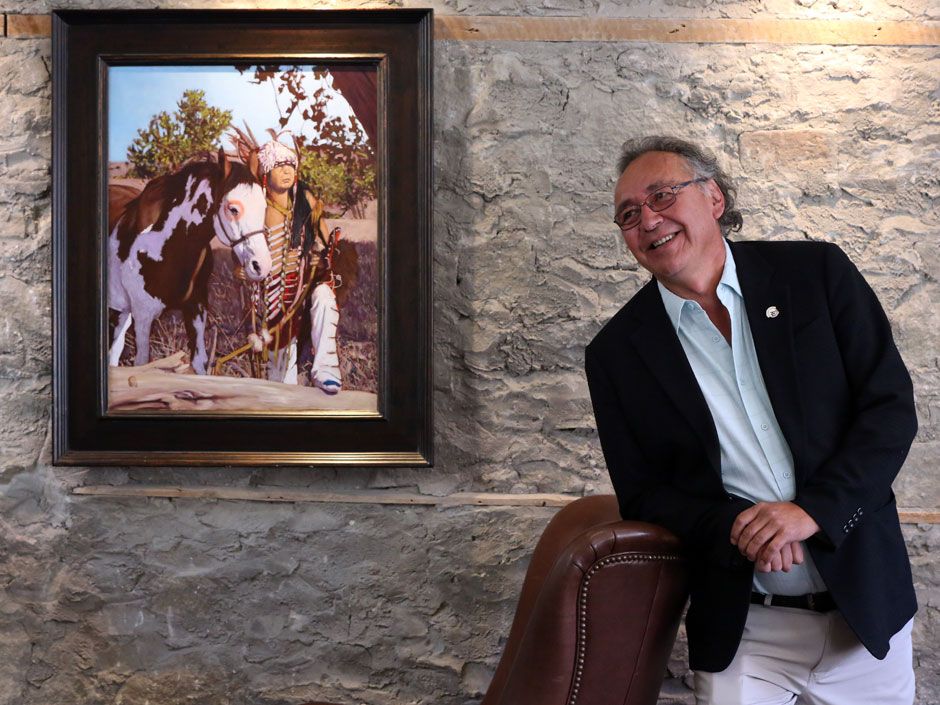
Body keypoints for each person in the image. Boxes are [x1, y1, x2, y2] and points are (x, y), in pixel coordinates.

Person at [585, 136, 918, 705]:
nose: (648, 219)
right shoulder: (617, 352)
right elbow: (643, 493)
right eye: (629, 214)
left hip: (865, 617)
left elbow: (888, 408)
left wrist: (814, 511)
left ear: (713, 197)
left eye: (663, 195)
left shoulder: (816, 274)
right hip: (743, 633)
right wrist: (740, 527)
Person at [253, 135, 345, 393]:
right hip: (272, 294)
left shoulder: (305, 199)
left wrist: (323, 255)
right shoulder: (258, 205)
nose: (287, 171)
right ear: (266, 171)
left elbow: (327, 243)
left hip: (306, 283)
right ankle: (285, 391)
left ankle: (325, 369)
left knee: (325, 298)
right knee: (281, 373)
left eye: (290, 165)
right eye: (279, 165)